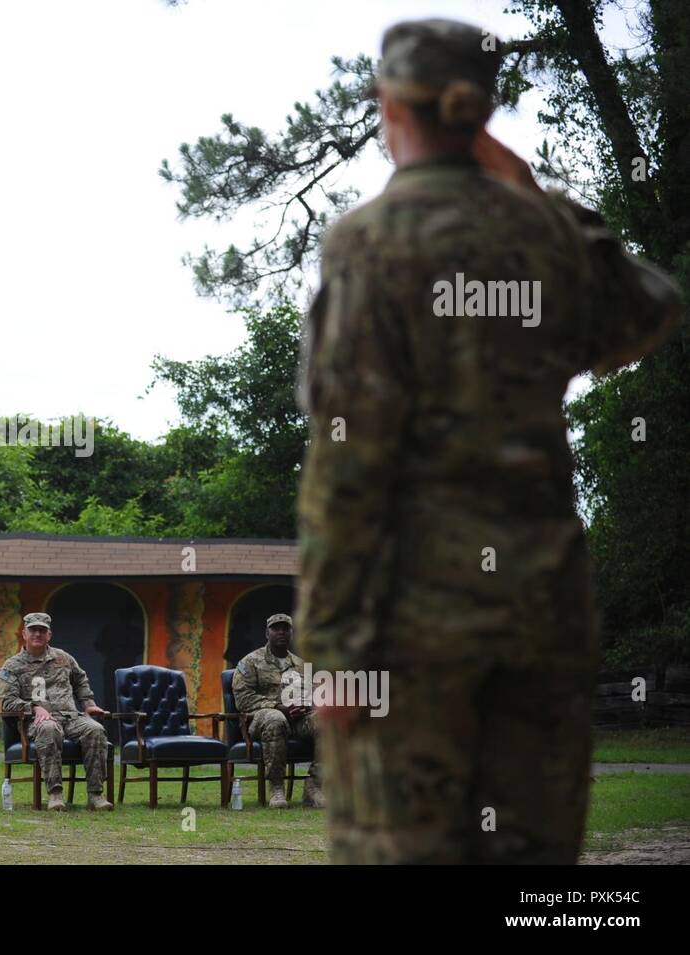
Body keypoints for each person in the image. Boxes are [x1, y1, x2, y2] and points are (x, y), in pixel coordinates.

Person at [297, 18, 682, 863]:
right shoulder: (542, 242)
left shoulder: (369, 243)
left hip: (410, 631)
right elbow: (650, 304)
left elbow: (347, 461)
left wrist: (331, 650)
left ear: (388, 103)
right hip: (541, 612)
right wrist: (534, 191)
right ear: (484, 113)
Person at [0, 612, 114, 811]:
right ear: (24, 634)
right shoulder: (12, 666)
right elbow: (7, 701)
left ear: (49, 635)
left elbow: (80, 680)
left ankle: (96, 795)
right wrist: (33, 708)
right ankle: (55, 794)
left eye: (42, 630)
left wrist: (88, 703)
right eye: (33, 630)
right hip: (37, 722)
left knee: (95, 729)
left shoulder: (63, 658)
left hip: (71, 717)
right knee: (49, 729)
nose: (37, 634)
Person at [231, 613, 323, 809]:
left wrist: (307, 704)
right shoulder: (250, 662)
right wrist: (278, 706)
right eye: (276, 628)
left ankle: (314, 786)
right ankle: (276, 788)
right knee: (276, 718)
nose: (281, 631)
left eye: (285, 628)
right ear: (267, 633)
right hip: (262, 719)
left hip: (297, 720)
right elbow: (243, 699)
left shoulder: (301, 665)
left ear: (291, 633)